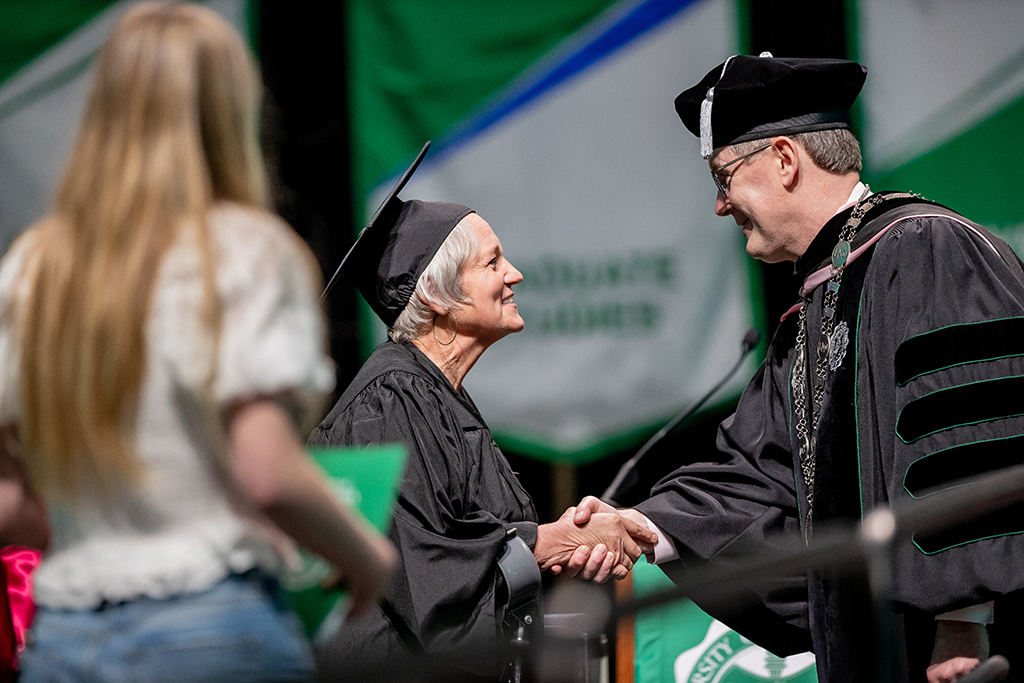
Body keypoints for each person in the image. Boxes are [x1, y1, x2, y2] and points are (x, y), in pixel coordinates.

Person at [573, 54, 1024, 683]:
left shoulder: (927, 250)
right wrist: (641, 526)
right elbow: (757, 478)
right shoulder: (816, 304)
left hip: (961, 656)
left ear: (785, 159)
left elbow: (967, 444)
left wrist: (963, 624)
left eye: (723, 177)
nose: (721, 205)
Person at [0, 4, 396, 682]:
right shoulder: (245, 252)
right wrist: (367, 555)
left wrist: (104, 527)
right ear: (229, 112)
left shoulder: (32, 269)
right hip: (211, 627)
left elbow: (11, 503)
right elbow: (266, 471)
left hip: (64, 637)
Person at [309, 145, 658, 681]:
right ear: (439, 297)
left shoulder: (432, 395)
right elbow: (428, 573)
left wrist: (551, 542)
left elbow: (472, 541)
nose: (514, 273)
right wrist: (555, 540)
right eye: (492, 261)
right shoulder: (388, 402)